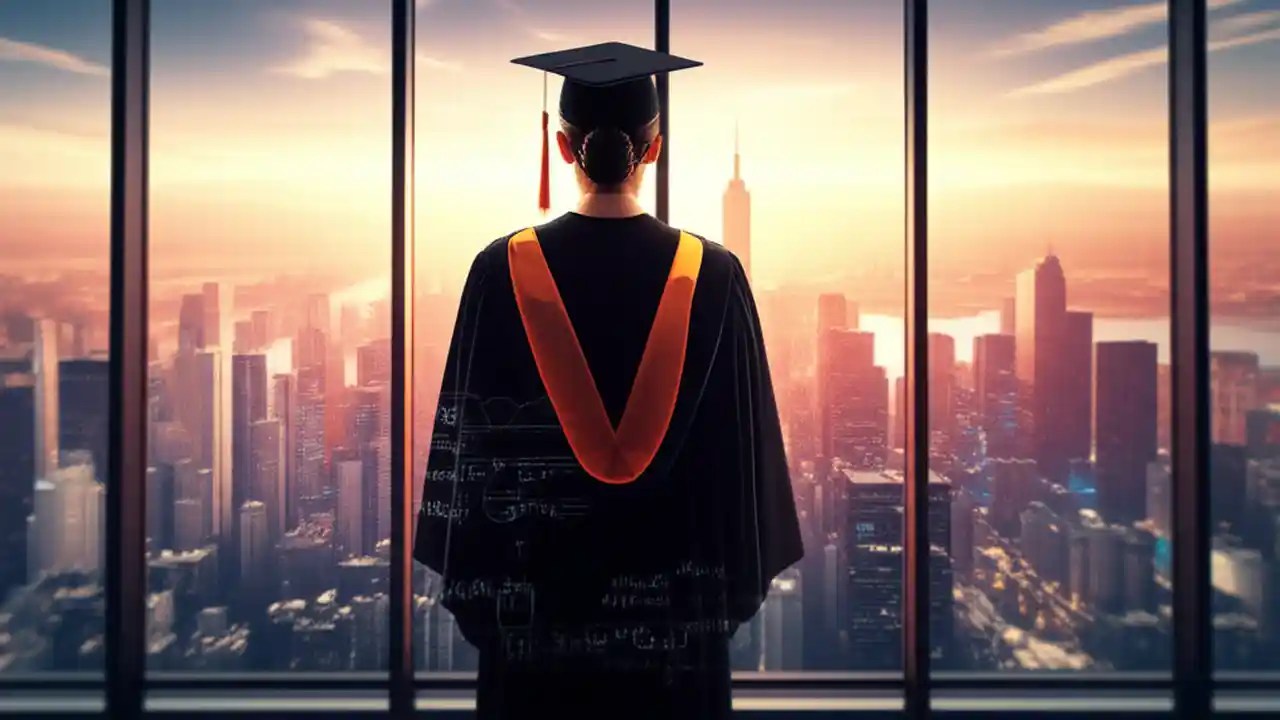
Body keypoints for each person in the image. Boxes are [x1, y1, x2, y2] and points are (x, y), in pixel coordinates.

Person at [414, 41, 803, 720]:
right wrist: (707, 613)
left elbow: (467, 466)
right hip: (675, 662)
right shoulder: (714, 278)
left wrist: (498, 619)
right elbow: (744, 464)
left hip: (534, 662)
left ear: (563, 148)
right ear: (653, 150)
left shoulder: (496, 273)